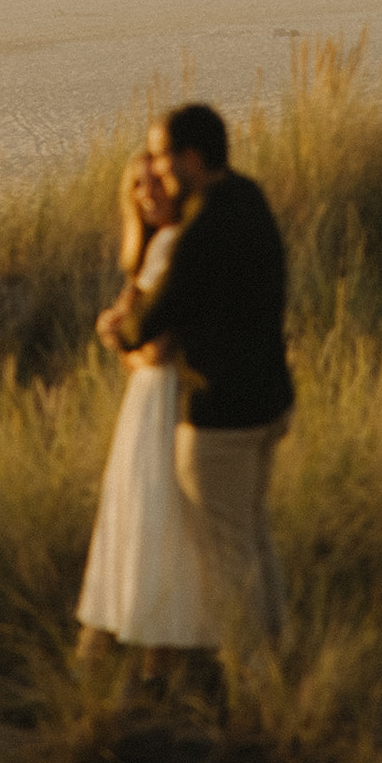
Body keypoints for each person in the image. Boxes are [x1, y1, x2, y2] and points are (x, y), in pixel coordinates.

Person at [120, 103, 294, 659]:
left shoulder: (202, 227)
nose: (158, 168)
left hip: (220, 417)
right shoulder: (251, 197)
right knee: (253, 536)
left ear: (191, 158)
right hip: (271, 400)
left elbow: (147, 324)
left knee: (228, 557)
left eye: (163, 155)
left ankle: (256, 688)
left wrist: (115, 327)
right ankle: (281, 654)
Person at [75, 148, 217, 682]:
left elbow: (157, 348)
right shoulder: (154, 248)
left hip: (165, 397)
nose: (146, 194)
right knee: (141, 512)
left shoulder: (177, 247)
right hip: (147, 400)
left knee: (159, 513)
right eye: (137, 186)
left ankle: (163, 647)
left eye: (155, 184)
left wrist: (118, 339)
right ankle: (157, 651)